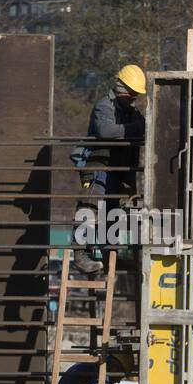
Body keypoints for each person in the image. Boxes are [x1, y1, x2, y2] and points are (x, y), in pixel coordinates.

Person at [72, 64, 146, 275]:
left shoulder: (132, 111)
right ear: (121, 88)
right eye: (131, 93)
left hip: (119, 169)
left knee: (112, 213)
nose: (133, 98)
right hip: (99, 166)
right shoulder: (104, 106)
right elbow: (106, 130)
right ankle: (81, 255)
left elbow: (144, 126)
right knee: (90, 208)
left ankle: (109, 255)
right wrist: (134, 131)